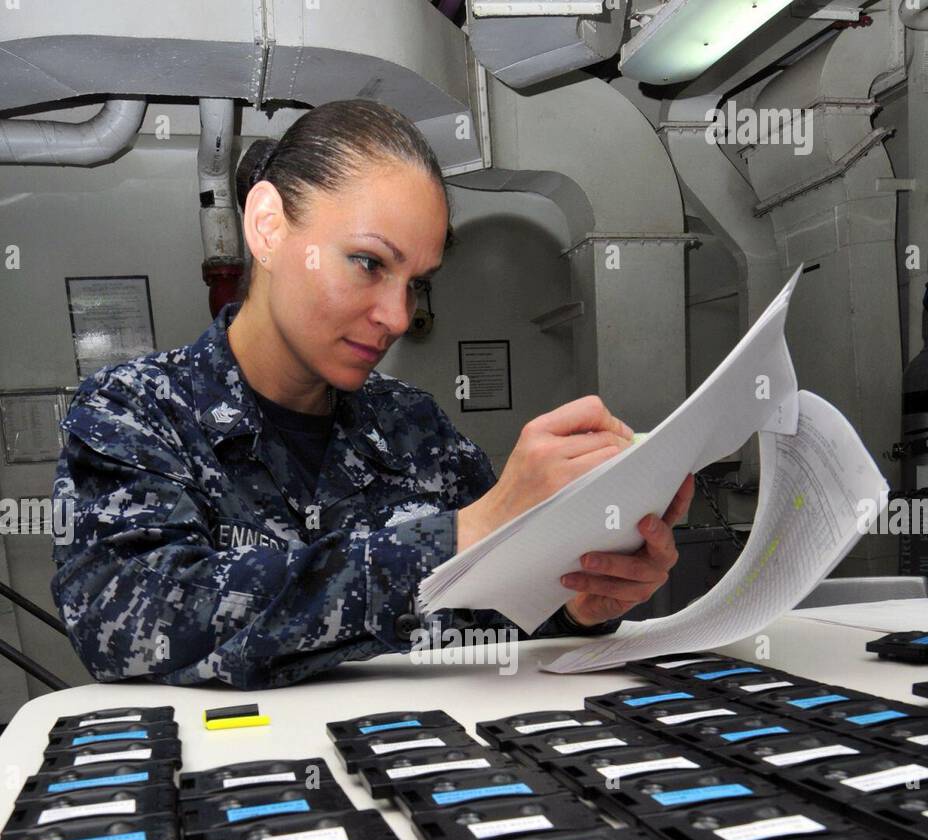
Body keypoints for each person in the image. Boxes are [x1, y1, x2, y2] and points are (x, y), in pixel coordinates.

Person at [51, 99, 694, 689]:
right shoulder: (133, 412)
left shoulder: (412, 426)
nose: (396, 315)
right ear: (269, 228)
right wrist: (471, 531)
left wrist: (578, 607)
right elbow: (132, 623)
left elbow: (492, 624)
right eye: (368, 262)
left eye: (417, 281)